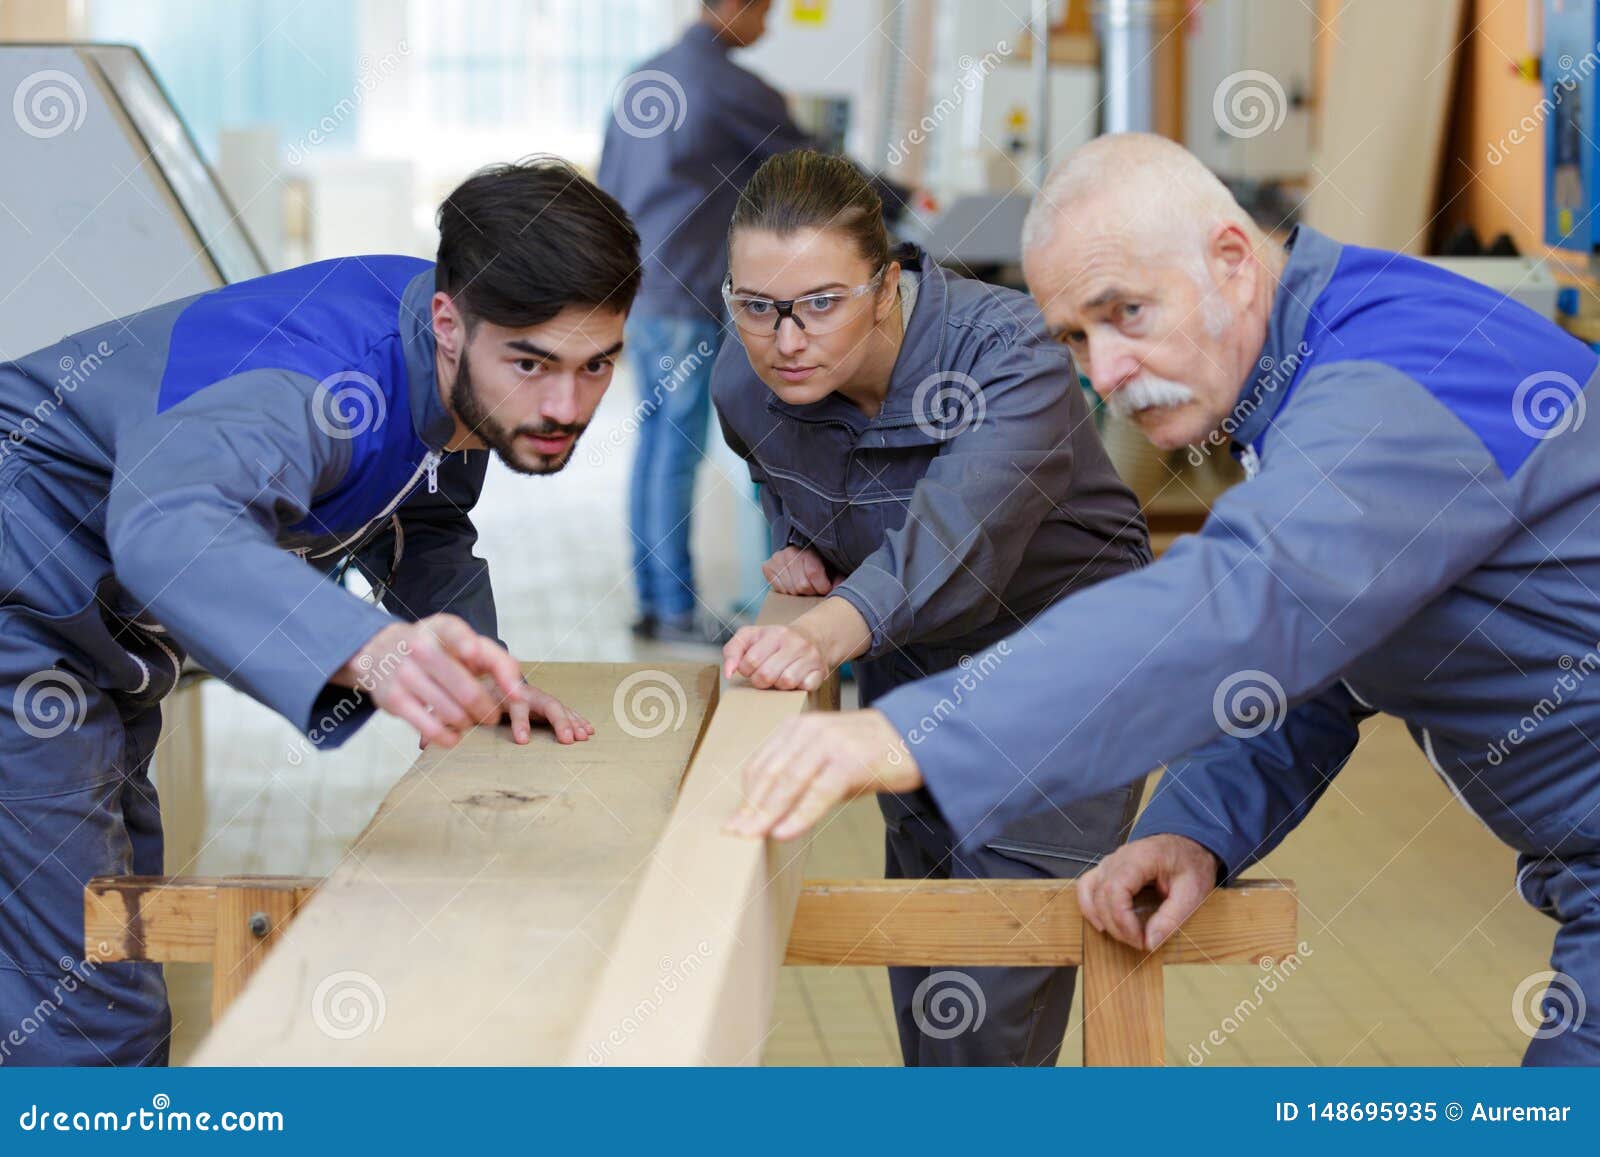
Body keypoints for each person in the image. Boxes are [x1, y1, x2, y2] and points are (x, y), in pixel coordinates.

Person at [725, 133, 1600, 1065]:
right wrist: (1197, 828)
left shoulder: (1396, 374)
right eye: (1077, 336)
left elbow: (1243, 602)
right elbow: (1319, 663)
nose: (1103, 374)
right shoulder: (1300, 378)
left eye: (1126, 313)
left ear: (1229, 259)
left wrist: (915, 732)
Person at [0, 156, 638, 1065]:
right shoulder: (313, 385)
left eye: (596, 366)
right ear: (451, 322)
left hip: (82, 641)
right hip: (21, 609)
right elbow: (170, 528)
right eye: (532, 364)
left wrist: (477, 672)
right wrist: (369, 648)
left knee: (103, 928)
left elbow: (419, 516)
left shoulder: (452, 365)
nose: (564, 404)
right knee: (86, 1011)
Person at [713, 150, 1152, 1066]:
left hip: (1059, 685)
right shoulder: (742, 378)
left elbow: (961, 534)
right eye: (757, 307)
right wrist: (804, 538)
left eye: (820, 303)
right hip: (913, 676)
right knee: (928, 975)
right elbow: (784, 473)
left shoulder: (1012, 352)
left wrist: (825, 633)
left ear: (886, 283)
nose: (786, 339)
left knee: (993, 1001)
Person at [597, 0, 905, 644]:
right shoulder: (730, 85)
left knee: (660, 448)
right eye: (764, 10)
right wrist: (898, 196)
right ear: (732, 7)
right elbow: (815, 175)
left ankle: (660, 605)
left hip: (642, 288)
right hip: (692, 290)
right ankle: (692, 611)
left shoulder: (643, 76)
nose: (770, 25)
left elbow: (608, 184)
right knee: (696, 449)